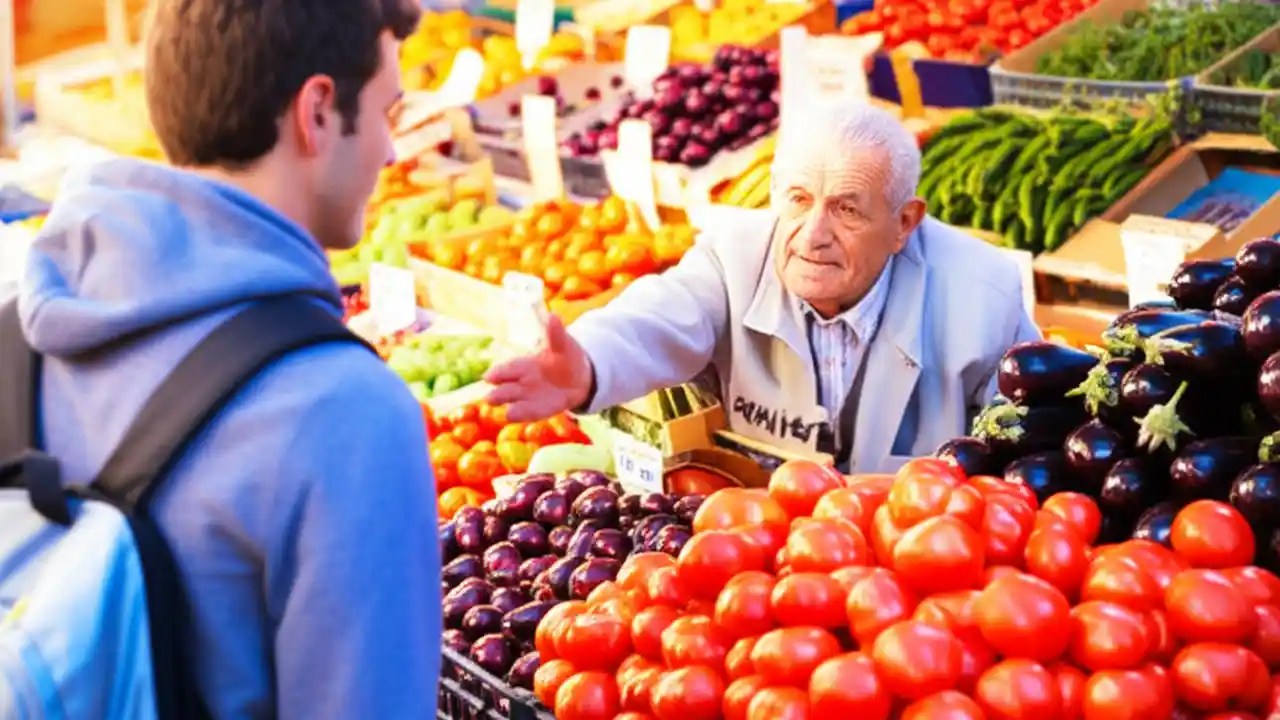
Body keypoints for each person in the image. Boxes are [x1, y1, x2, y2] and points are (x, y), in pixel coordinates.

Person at [13, 1, 439, 718]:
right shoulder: (344, 415)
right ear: (318, 111)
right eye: (388, 113)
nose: (393, 153)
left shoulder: (16, 335)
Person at [487, 101, 1041, 473]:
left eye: (847, 209)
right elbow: (658, 317)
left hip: (919, 569)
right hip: (767, 558)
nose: (813, 235)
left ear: (904, 223)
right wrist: (587, 366)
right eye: (797, 200)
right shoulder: (734, 256)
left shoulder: (982, 296)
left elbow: (1032, 448)